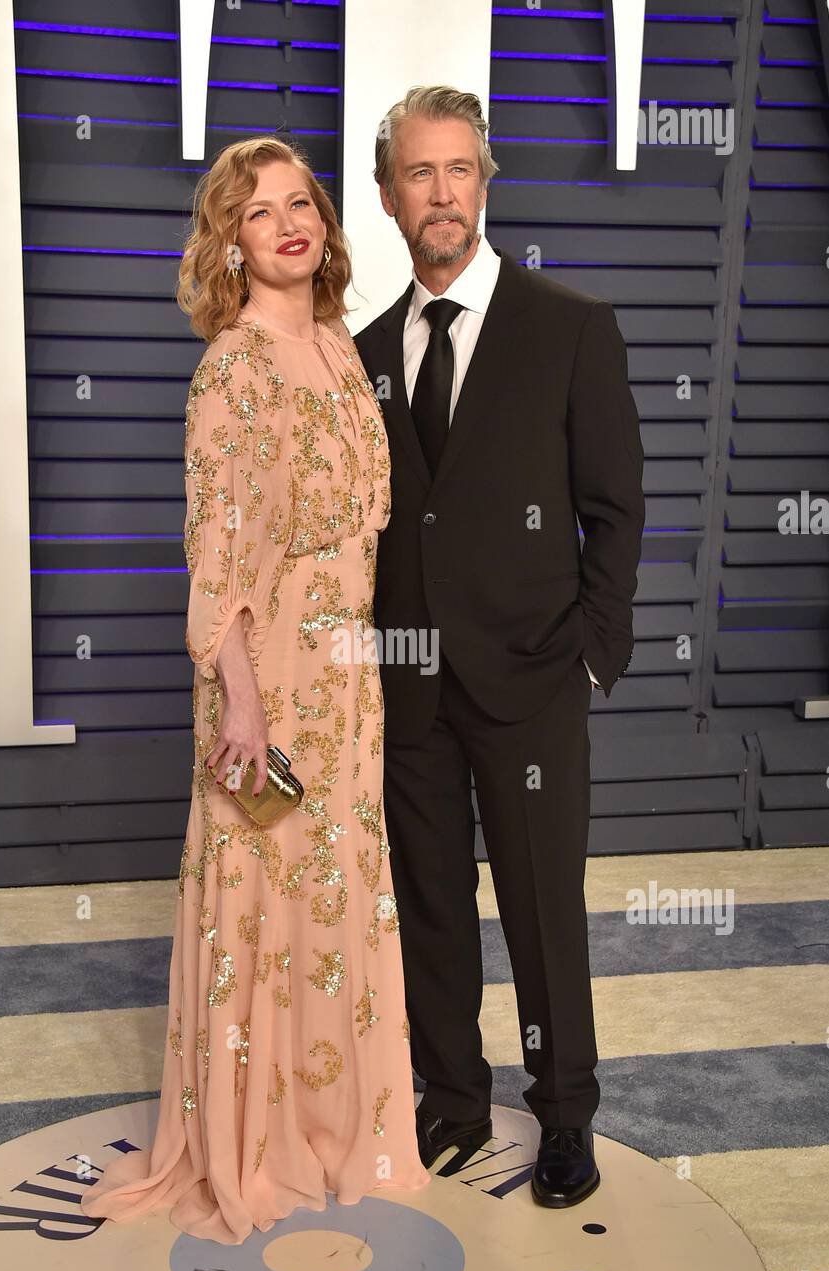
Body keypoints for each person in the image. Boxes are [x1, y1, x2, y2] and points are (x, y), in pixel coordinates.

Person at [80, 136, 430, 1245]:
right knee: (263, 891)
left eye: (301, 203)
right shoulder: (230, 367)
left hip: (348, 675)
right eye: (258, 210)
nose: (288, 222)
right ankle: (254, 1142)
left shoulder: (333, 344)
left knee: (335, 900)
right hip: (264, 674)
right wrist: (241, 701)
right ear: (228, 239)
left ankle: (334, 1126)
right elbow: (217, 553)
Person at [354, 86, 646, 1207]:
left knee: (538, 903)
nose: (441, 193)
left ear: (486, 180)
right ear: (389, 196)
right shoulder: (368, 353)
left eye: (459, 169)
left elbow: (614, 507)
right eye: (419, 174)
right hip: (410, 684)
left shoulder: (568, 327)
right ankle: (452, 1098)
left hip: (533, 678)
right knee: (428, 903)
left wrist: (591, 652)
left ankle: (563, 1112)